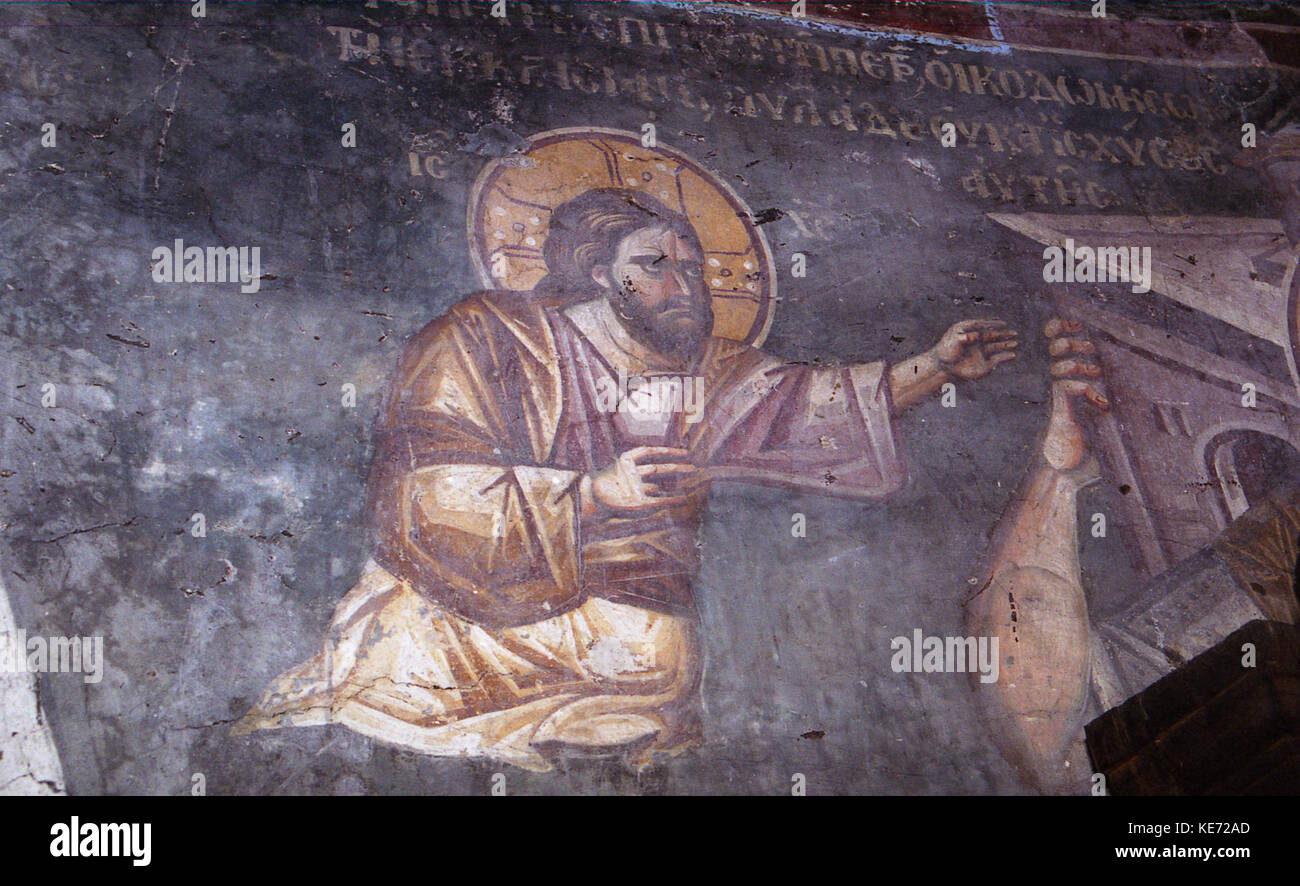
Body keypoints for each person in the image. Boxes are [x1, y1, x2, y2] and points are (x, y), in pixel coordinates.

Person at [234, 187, 1018, 771]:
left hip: (635, 648)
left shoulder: (710, 372)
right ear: (598, 273)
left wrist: (937, 366)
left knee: (660, 654)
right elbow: (420, 489)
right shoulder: (488, 339)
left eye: (693, 265)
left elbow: (809, 405)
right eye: (656, 264)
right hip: (464, 620)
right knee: (403, 678)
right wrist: (592, 494)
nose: (686, 282)